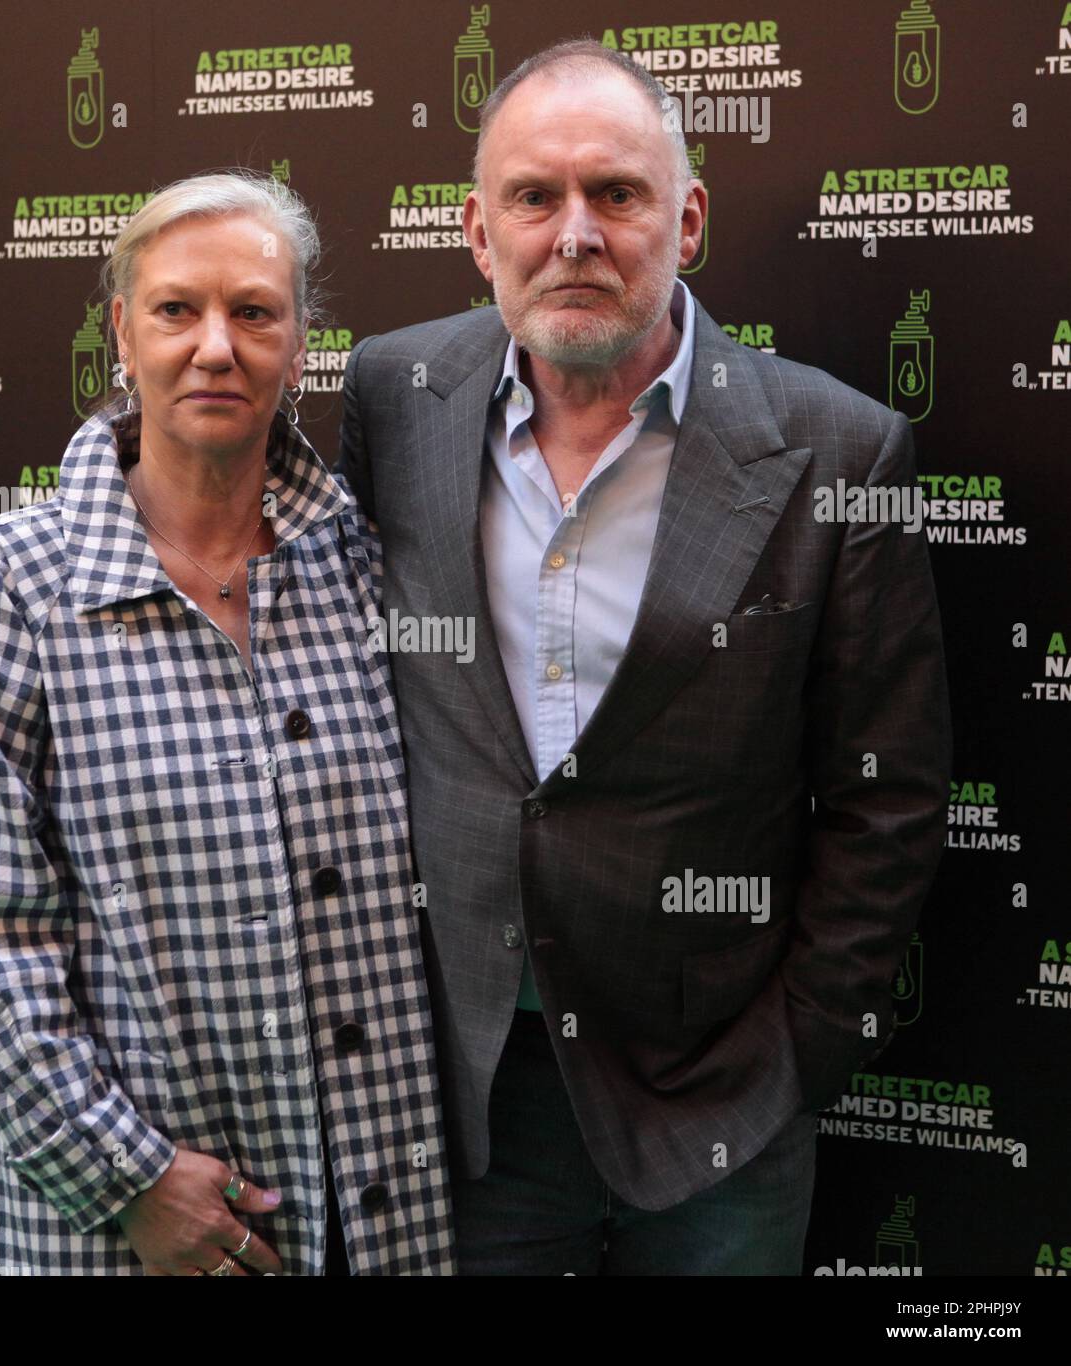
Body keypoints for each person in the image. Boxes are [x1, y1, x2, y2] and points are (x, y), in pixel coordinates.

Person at [337, 40, 952, 1274]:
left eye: (615, 193)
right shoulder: (393, 393)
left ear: (688, 216)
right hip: (462, 1095)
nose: (574, 233)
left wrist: (796, 1051)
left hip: (720, 1104)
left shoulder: (839, 449)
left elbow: (887, 794)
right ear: (475, 229)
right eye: (533, 196)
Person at [0, 170, 454, 1276]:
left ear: (301, 340)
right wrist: (127, 1178)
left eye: (254, 311)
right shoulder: (17, 578)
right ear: (122, 328)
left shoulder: (365, 561)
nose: (216, 345)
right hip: (126, 1233)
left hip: (374, 1211)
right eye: (176, 309)